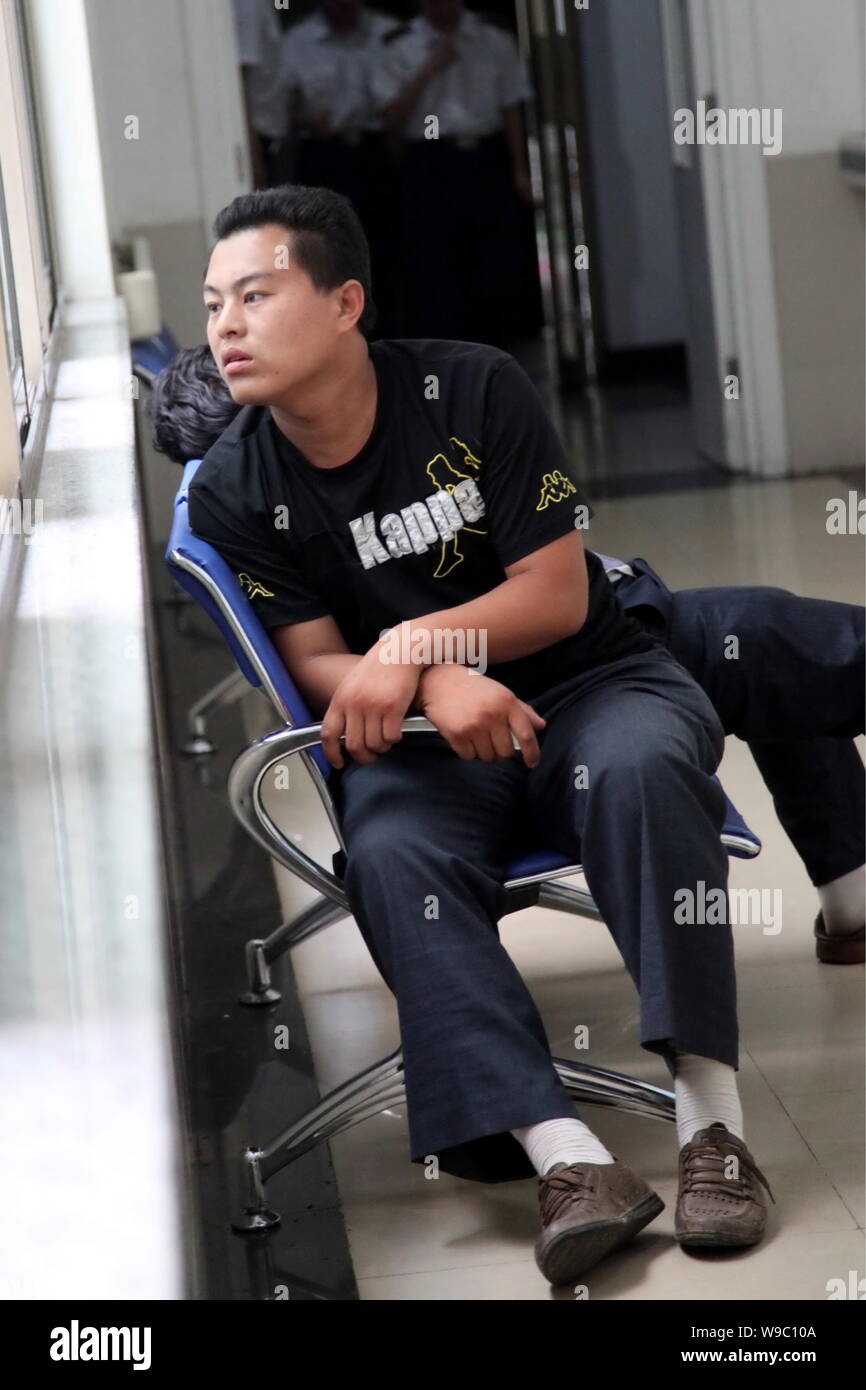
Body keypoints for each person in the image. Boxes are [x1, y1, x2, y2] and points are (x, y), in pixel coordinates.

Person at [186, 184, 777, 1287]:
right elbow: (317, 662)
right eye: (214, 302)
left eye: (256, 296)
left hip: (590, 683)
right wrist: (426, 694)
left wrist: (416, 646)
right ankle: (566, 1159)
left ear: (344, 302)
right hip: (414, 747)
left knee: (644, 771)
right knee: (394, 853)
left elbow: (552, 594)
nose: (225, 326)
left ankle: (711, 1129)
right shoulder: (235, 487)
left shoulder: (467, 388)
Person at [149, 343, 866, 967]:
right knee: (766, 645)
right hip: (554, 696)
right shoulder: (267, 519)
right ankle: (855, 905)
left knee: (763, 637)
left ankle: (852, 906)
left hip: (594, 641)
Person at [370, 0, 543, 347]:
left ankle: (498, 351)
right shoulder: (400, 44)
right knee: (433, 264)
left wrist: (520, 169)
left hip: (483, 156)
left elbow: (512, 107)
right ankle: (445, 355)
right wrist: (428, 69)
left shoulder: (493, 37)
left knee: (495, 260)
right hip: (429, 161)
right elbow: (390, 115)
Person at [281, 1, 403, 335]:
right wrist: (304, 117)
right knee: (327, 244)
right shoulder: (299, 41)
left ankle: (390, 331)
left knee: (386, 244)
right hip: (324, 154)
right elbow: (281, 106)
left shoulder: (388, 32)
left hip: (375, 151)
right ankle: (340, 330)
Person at [231, 0, 292, 188]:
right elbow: (238, 82)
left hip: (270, 138)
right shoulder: (248, 5)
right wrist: (253, 158)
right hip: (256, 139)